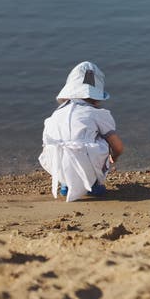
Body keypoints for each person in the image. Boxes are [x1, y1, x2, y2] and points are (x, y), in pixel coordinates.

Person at [39, 61, 124, 202]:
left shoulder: (55, 115)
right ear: (98, 97)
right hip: (85, 161)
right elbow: (118, 147)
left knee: (63, 142)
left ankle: (65, 183)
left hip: (56, 162)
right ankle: (94, 184)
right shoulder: (98, 114)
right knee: (104, 139)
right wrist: (114, 157)